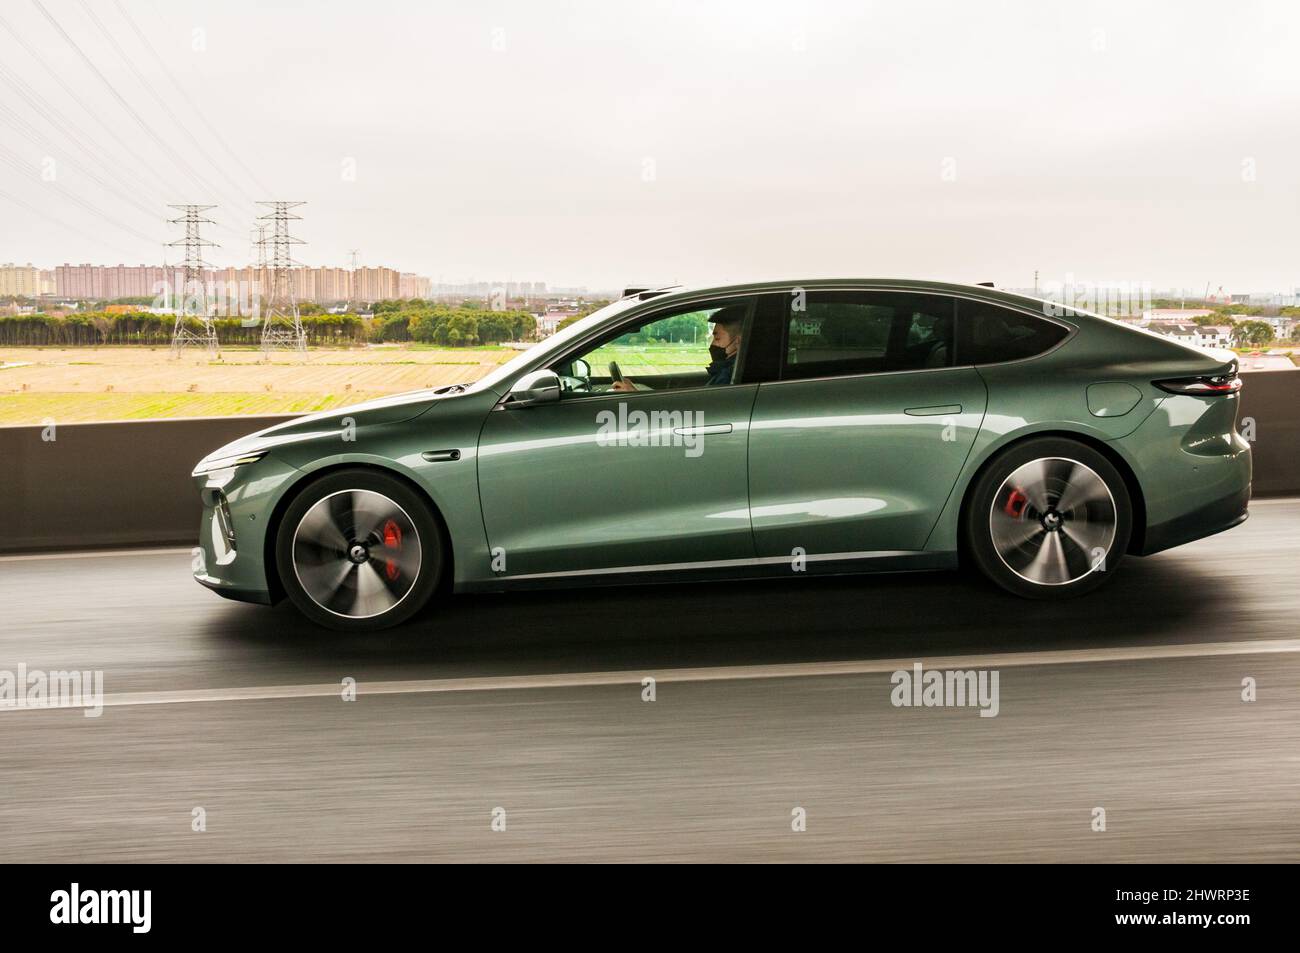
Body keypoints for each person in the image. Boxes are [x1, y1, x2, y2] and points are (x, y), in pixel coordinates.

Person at [610, 305, 744, 392]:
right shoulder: (726, 372)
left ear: (738, 341)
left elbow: (695, 412)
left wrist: (635, 396)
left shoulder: (728, 376)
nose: (712, 344)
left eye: (717, 338)